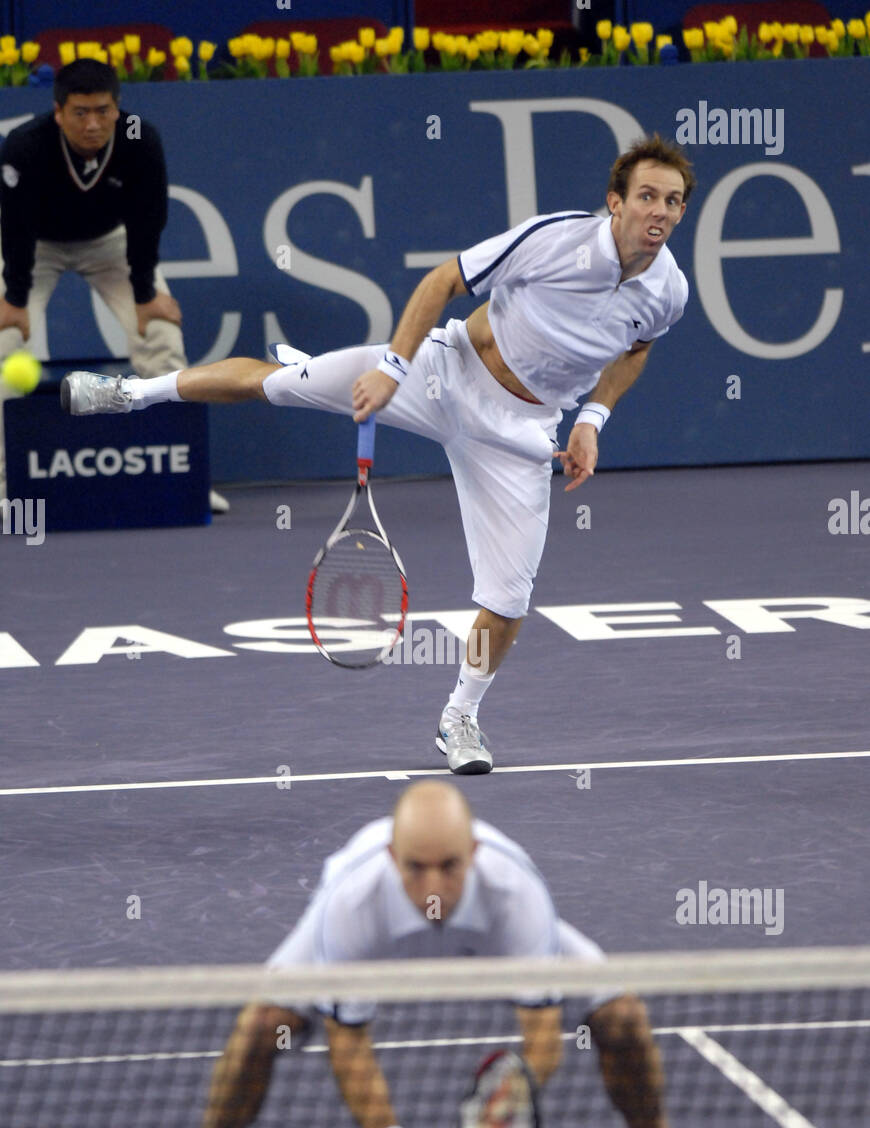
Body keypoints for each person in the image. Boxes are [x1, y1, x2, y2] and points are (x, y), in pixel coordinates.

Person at [63, 133, 695, 759]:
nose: (658, 212)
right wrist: (394, 368)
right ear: (614, 201)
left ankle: (459, 718)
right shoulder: (556, 239)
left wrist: (592, 418)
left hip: (520, 434)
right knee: (275, 384)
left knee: (508, 599)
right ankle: (129, 393)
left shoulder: (667, 290)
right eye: (646, 196)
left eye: (672, 201)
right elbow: (444, 279)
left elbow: (636, 349)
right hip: (441, 371)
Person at [135, 780, 750, 1128]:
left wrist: (492, 1112)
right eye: (416, 868)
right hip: (363, 935)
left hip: (493, 937)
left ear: (475, 854)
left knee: (621, 1016)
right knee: (261, 1027)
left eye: (451, 867)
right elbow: (347, 1041)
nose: (435, 888)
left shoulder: (514, 892)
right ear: (390, 857)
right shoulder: (352, 901)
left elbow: (542, 1036)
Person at [0, 57, 227, 512]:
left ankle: (183, 477)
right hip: (35, 248)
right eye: (80, 112)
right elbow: (15, 226)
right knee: (4, 342)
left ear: (118, 108)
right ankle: (7, 484)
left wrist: (145, 293)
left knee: (160, 335)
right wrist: (15, 299)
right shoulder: (24, 146)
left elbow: (148, 220)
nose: (93, 123)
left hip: (111, 246)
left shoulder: (141, 140)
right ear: (58, 111)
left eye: (103, 110)